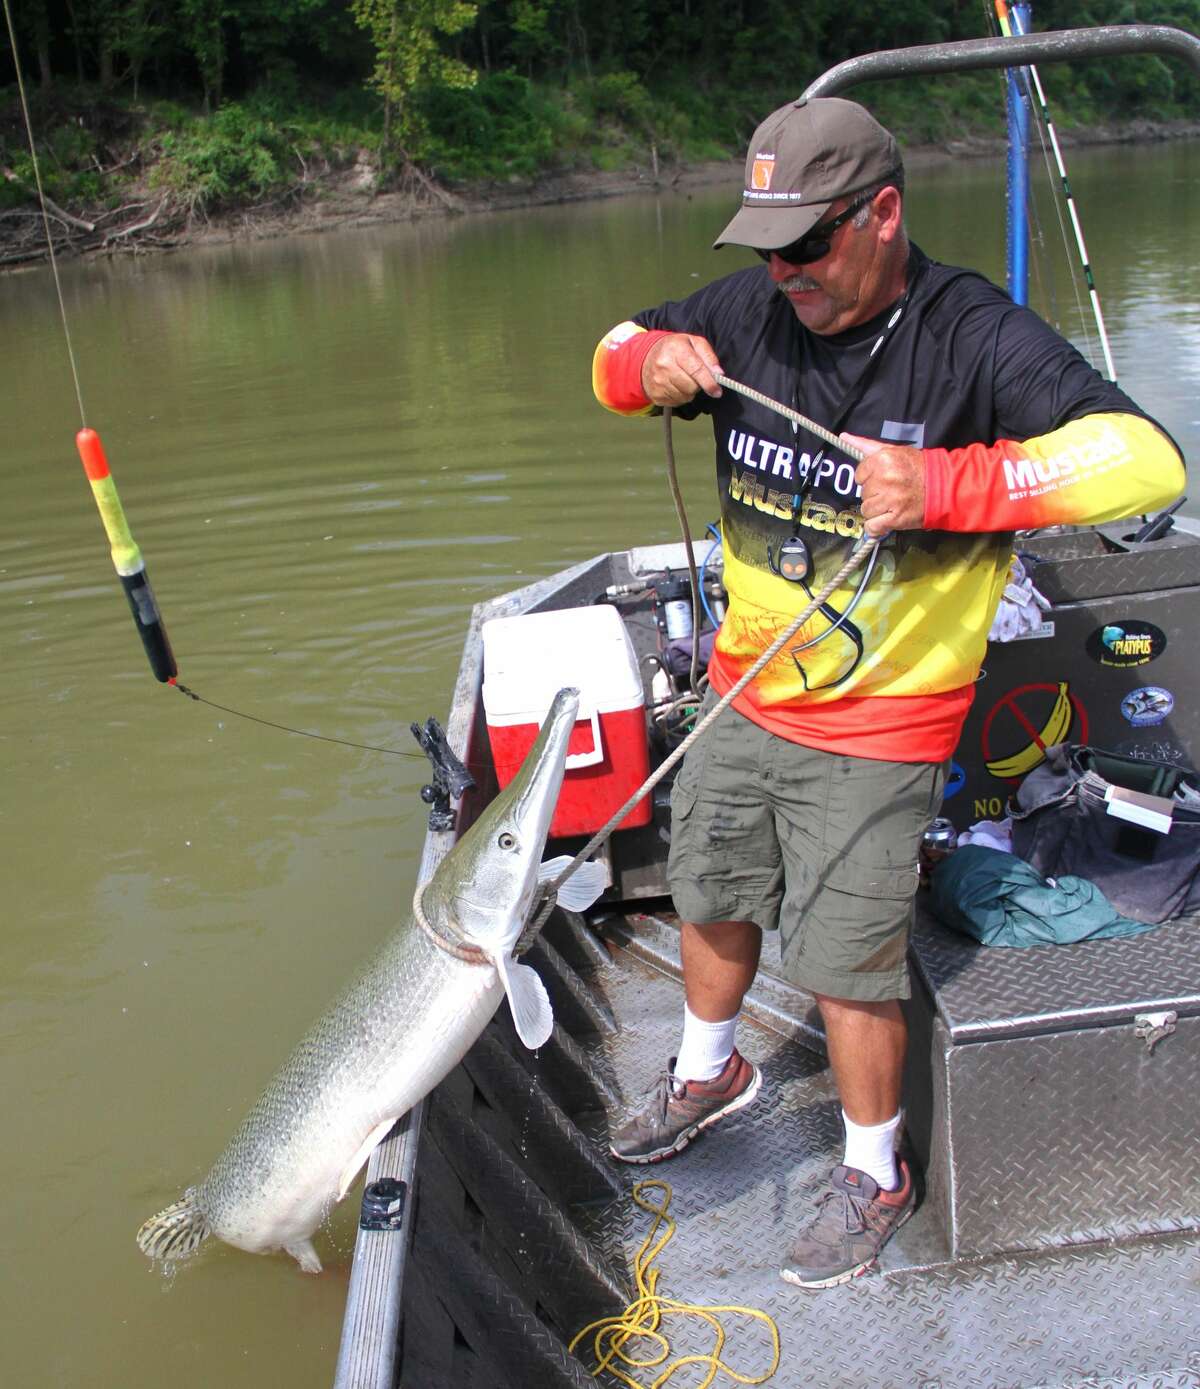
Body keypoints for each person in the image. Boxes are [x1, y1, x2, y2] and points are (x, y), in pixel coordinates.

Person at [591, 96, 1184, 1289]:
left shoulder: (971, 332)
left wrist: (955, 483)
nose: (785, 272)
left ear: (882, 214)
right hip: (748, 689)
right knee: (707, 875)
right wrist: (646, 362)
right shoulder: (750, 308)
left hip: (887, 717)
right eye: (765, 246)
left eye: (808, 244)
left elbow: (1144, 458)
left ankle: (875, 1170)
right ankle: (712, 1069)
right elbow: (610, 353)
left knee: (847, 954)